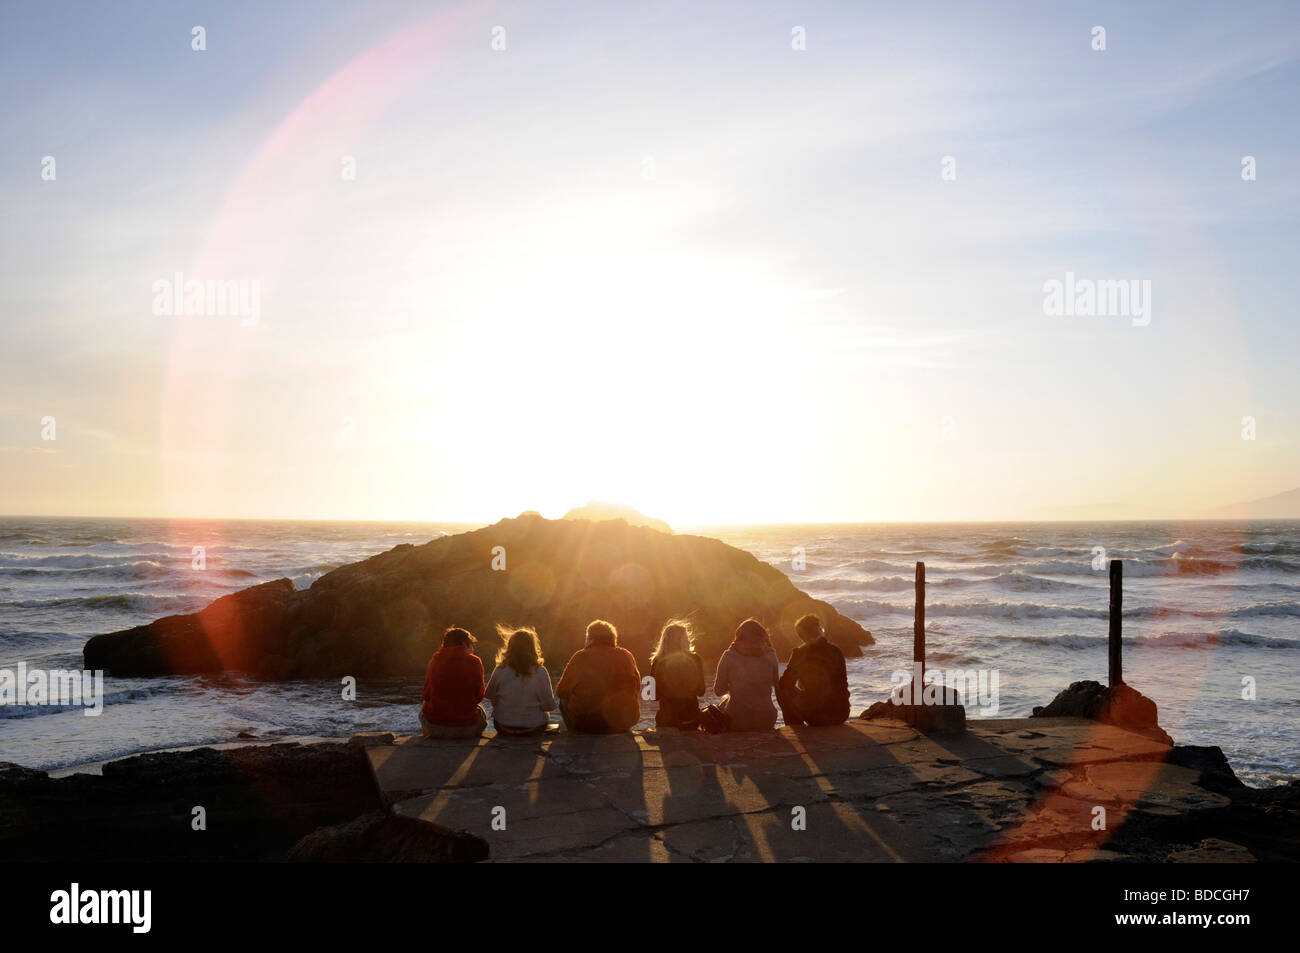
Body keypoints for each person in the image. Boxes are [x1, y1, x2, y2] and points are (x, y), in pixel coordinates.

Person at [555, 619, 641, 733]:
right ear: (613, 638)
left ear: (590, 639)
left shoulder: (580, 656)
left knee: (563, 700)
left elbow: (561, 691)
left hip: (587, 724)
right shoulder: (626, 655)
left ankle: (574, 733)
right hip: (622, 723)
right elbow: (638, 687)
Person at [778, 614, 850, 727]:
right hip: (841, 714)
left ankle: (795, 725)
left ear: (801, 635)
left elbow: (786, 683)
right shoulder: (835, 651)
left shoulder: (800, 653)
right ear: (819, 629)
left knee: (781, 687)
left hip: (817, 717)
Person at [486, 626, 556, 736]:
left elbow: (489, 695)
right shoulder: (540, 671)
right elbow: (549, 706)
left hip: (503, 727)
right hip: (533, 729)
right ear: (533, 647)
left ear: (510, 646)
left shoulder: (500, 669)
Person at [711, 618, 780, 731]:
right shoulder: (771, 655)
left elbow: (718, 691)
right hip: (766, 719)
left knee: (725, 699)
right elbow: (777, 686)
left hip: (737, 720)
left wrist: (736, 686)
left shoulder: (729, 656)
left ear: (738, 636)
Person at [420, 626, 488, 739]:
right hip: (467, 729)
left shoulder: (434, 660)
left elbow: (426, 695)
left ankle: (427, 738)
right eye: (472, 645)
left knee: (424, 705)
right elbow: (480, 696)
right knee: (480, 708)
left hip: (435, 729)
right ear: (464, 644)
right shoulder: (475, 661)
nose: (473, 649)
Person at [648, 620, 705, 730]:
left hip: (667, 720)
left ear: (664, 640)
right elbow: (701, 692)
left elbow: (652, 696)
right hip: (690, 718)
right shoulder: (695, 659)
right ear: (685, 640)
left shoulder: (657, 661)